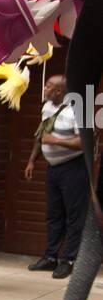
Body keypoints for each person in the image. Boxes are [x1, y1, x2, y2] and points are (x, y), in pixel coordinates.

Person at [24, 72, 89, 279]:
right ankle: (50, 257)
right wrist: (32, 160)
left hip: (73, 168)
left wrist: (56, 142)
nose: (44, 88)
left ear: (60, 91)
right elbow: (41, 134)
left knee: (73, 216)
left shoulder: (79, 110)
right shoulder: (47, 107)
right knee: (54, 214)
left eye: (48, 86)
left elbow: (84, 142)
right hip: (53, 168)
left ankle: (68, 260)